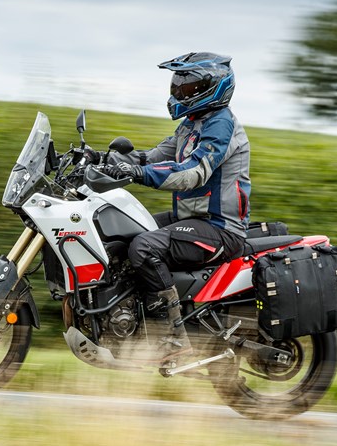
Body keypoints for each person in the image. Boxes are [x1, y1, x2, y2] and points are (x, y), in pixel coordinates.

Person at [104, 52, 251, 365]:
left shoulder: (221, 126)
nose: (179, 93)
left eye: (187, 88)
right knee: (122, 232)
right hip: (192, 220)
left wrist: (136, 174)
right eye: (178, 87)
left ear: (212, 88)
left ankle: (173, 339)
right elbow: (155, 155)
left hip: (219, 228)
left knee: (143, 247)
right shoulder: (193, 123)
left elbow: (192, 172)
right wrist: (104, 160)